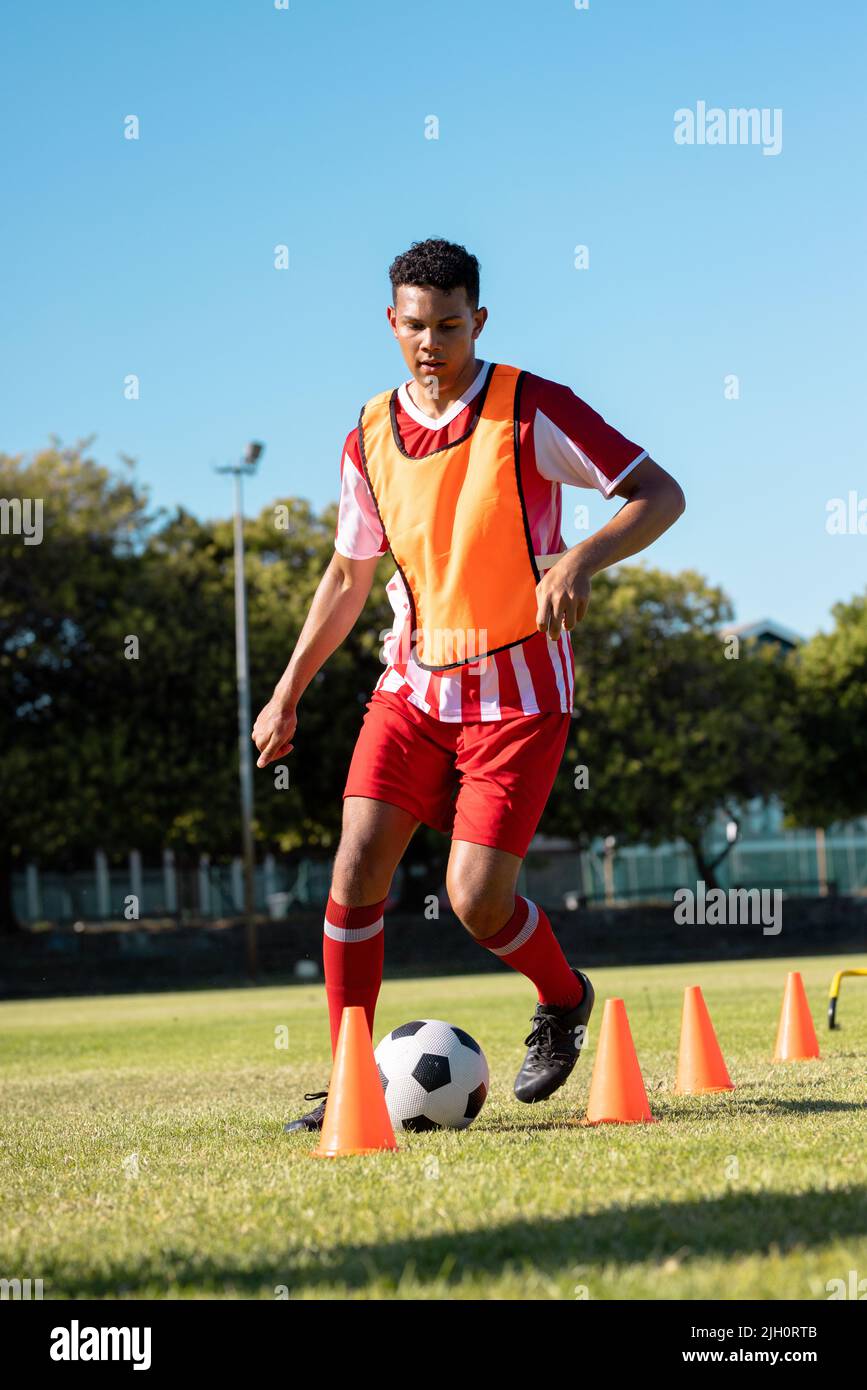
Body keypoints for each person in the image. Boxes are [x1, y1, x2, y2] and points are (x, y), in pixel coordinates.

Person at [252, 238, 685, 1132]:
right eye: (415, 326)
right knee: (357, 861)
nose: (431, 343)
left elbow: (657, 492)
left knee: (475, 900)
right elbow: (346, 577)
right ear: (391, 322)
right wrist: (288, 689)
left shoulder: (532, 409)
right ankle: (349, 1079)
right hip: (410, 689)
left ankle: (562, 1000)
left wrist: (582, 556)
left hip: (520, 696)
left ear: (477, 321)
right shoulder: (367, 434)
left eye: (450, 326)